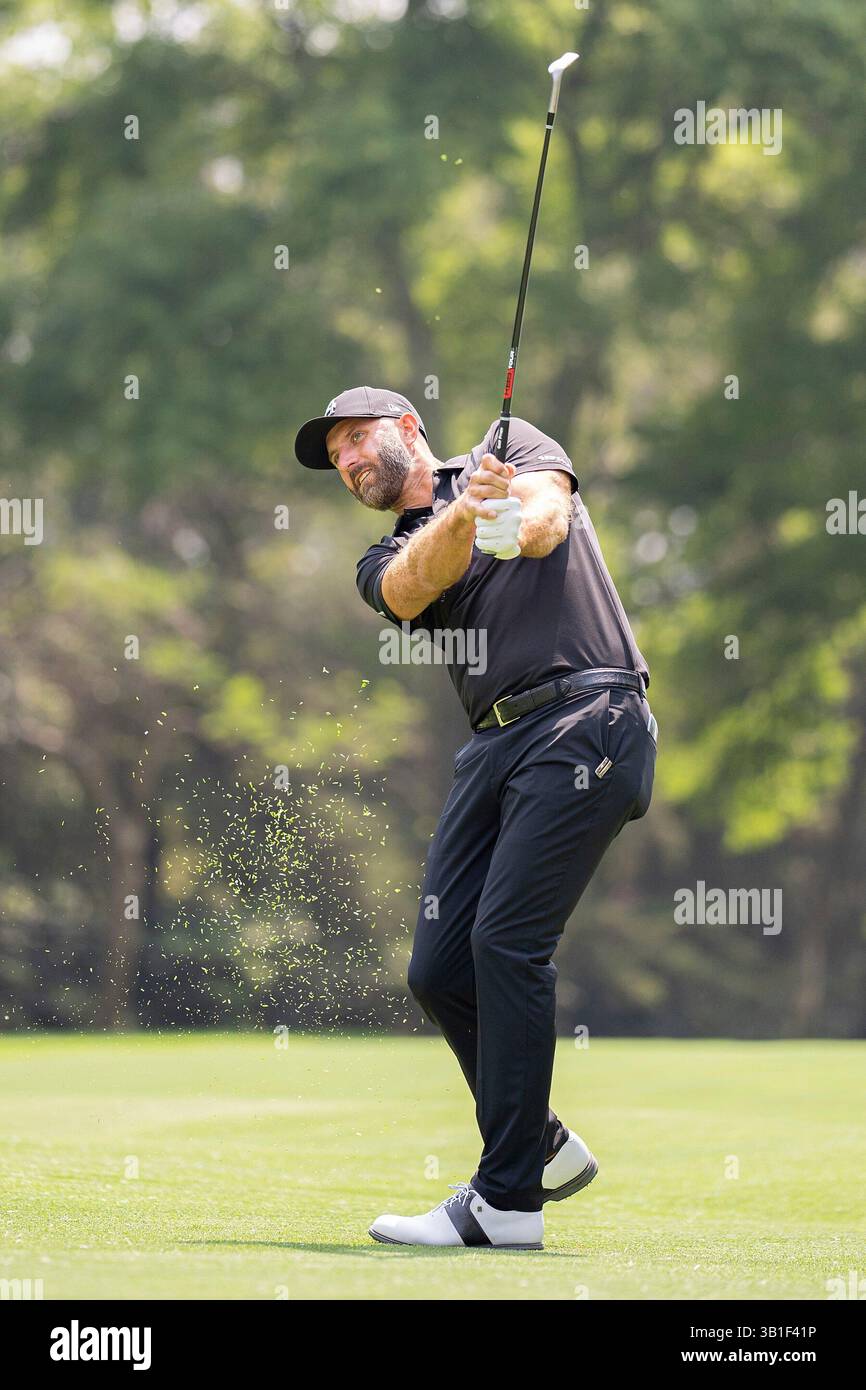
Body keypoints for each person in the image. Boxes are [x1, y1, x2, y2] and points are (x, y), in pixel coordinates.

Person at [295, 385, 657, 1249]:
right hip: (497, 743)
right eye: (336, 456)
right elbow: (413, 586)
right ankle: (541, 1145)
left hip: (586, 716)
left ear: (409, 429)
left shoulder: (512, 444)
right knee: (439, 967)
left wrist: (510, 517)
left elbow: (548, 513)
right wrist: (465, 520)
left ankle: (507, 1204)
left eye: (355, 439)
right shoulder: (380, 560)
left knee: (505, 944)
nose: (347, 461)